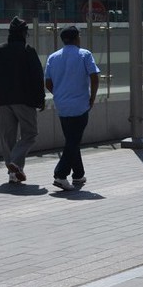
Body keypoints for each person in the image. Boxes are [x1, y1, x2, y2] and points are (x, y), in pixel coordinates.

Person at [0, 17, 45, 184]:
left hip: (3, 101)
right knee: (30, 134)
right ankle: (15, 162)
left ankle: (13, 173)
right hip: (25, 100)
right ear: (24, 33)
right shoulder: (28, 51)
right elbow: (37, 76)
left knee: (8, 137)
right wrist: (40, 98)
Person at [45, 25, 100, 191]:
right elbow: (94, 76)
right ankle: (60, 175)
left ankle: (78, 174)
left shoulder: (53, 57)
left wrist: (59, 93)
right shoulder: (84, 54)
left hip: (62, 105)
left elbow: (48, 82)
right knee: (73, 141)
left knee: (72, 139)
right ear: (76, 38)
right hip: (80, 104)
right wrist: (92, 97)